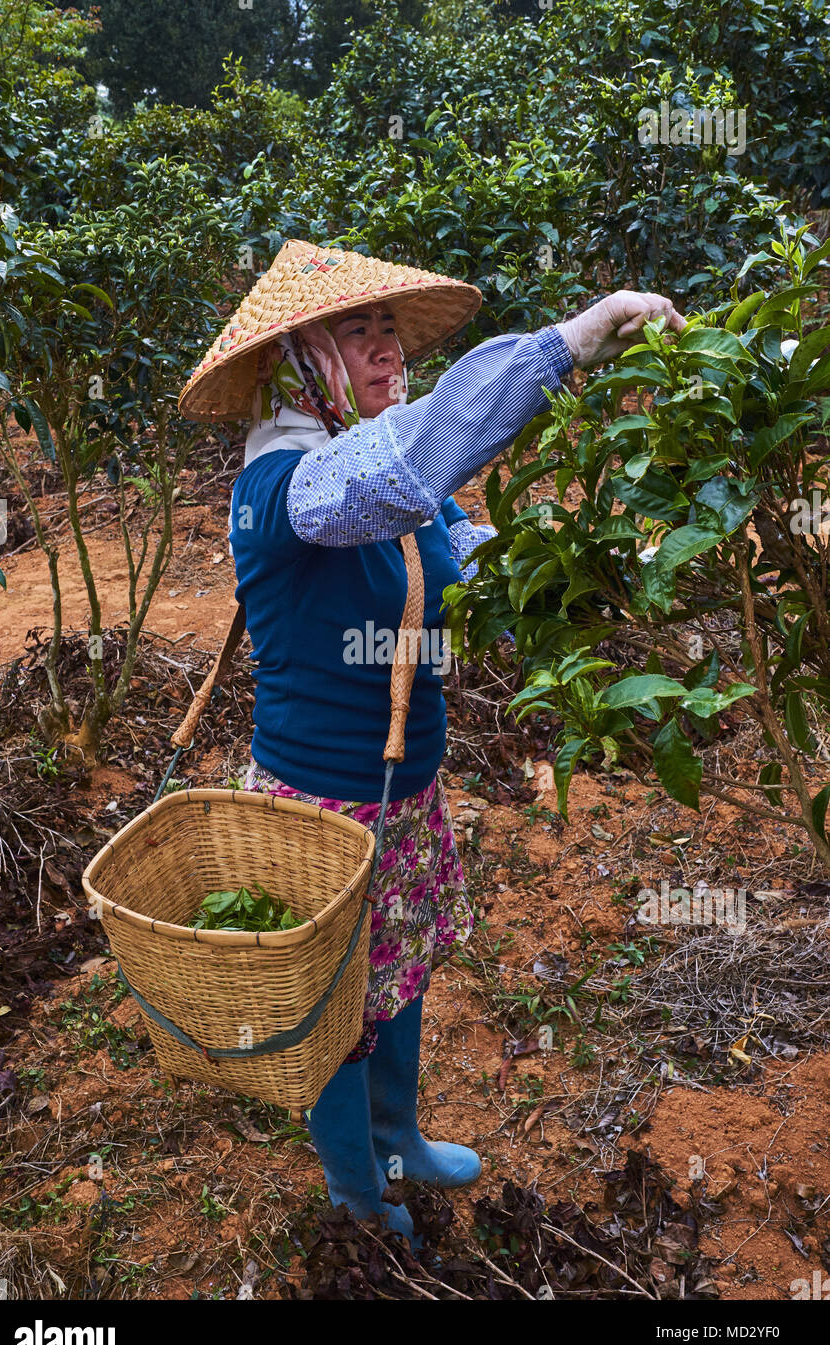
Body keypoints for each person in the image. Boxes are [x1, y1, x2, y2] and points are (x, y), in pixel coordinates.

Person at [179, 239, 685, 1246]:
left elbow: (485, 571)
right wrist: (565, 344)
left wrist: (626, 570)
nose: (384, 353)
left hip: (403, 788)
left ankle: (399, 1135)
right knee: (333, 1010)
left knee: (397, 973)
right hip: (319, 805)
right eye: (355, 335)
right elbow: (408, 458)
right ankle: (357, 1190)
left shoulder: (399, 490)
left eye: (388, 333)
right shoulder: (288, 487)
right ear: (296, 363)